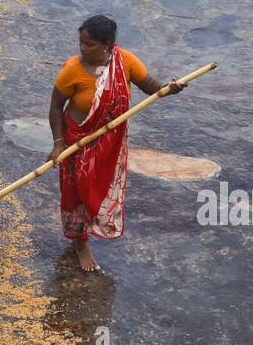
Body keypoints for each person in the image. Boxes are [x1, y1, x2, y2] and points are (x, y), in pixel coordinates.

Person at [47, 15, 180, 272]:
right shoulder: (71, 70)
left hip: (110, 141)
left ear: (107, 44)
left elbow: (150, 86)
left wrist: (169, 88)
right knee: (76, 193)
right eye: (81, 42)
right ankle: (80, 242)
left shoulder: (125, 61)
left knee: (100, 187)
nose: (83, 48)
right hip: (79, 142)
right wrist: (58, 143)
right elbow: (55, 107)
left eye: (89, 44)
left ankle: (94, 226)